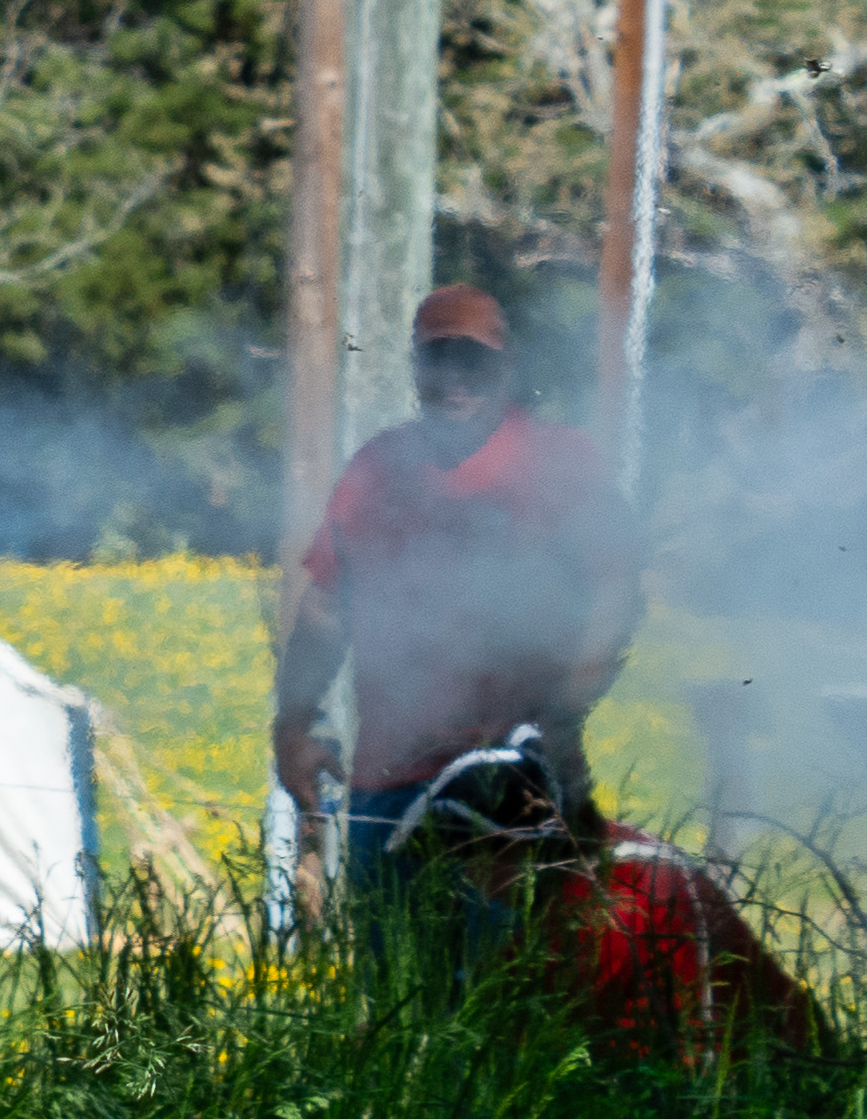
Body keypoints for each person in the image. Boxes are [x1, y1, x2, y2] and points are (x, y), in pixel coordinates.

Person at [272, 286, 648, 898]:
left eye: (474, 361)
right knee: (392, 983)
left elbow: (617, 591)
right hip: (386, 783)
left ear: (506, 366)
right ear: (416, 368)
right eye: (438, 360)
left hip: (514, 781)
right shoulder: (377, 468)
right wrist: (291, 728)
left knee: (509, 979)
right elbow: (323, 608)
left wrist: (565, 710)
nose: (456, 380)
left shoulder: (560, 460)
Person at [392, 731, 832, 1070]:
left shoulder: (624, 908)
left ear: (513, 848)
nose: (470, 879)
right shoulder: (572, 886)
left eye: (473, 859)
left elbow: (700, 1070)